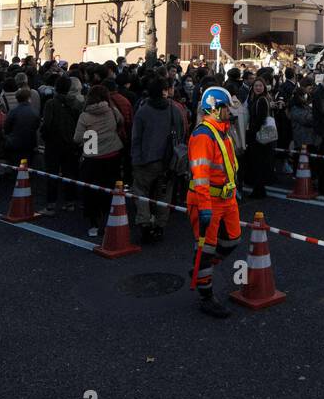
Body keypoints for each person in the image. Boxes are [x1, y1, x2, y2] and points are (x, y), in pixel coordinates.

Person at [187, 87, 242, 318]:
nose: (229, 111)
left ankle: (200, 269)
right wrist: (205, 206)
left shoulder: (222, 131)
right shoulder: (203, 135)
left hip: (226, 198)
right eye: (226, 107)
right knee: (207, 249)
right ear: (215, 108)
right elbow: (200, 176)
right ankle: (206, 295)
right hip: (207, 199)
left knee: (233, 239)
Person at [131, 79, 184, 243]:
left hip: (146, 159)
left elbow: (136, 137)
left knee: (140, 191)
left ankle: (144, 222)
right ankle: (160, 226)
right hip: (169, 159)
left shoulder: (143, 111)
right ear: (164, 91)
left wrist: (136, 158)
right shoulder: (173, 109)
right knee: (164, 193)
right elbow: (181, 132)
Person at [74, 84, 125, 238]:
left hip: (92, 154)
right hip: (113, 153)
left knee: (91, 191)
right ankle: (112, 219)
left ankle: (94, 224)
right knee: (110, 189)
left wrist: (91, 139)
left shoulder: (85, 115)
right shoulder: (112, 111)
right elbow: (121, 123)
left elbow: (77, 138)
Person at [38, 76, 83, 216]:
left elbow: (46, 125)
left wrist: (44, 137)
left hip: (54, 143)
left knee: (52, 173)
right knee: (70, 172)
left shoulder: (51, 103)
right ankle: (70, 202)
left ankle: (51, 205)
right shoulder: (77, 103)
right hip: (72, 143)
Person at [243, 78, 274, 199]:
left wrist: (252, 131)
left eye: (260, 86)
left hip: (258, 136)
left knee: (258, 163)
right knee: (258, 164)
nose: (258, 88)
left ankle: (259, 190)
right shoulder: (257, 99)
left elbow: (260, 119)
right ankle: (259, 189)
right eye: (256, 86)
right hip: (258, 136)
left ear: (264, 87)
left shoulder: (261, 100)